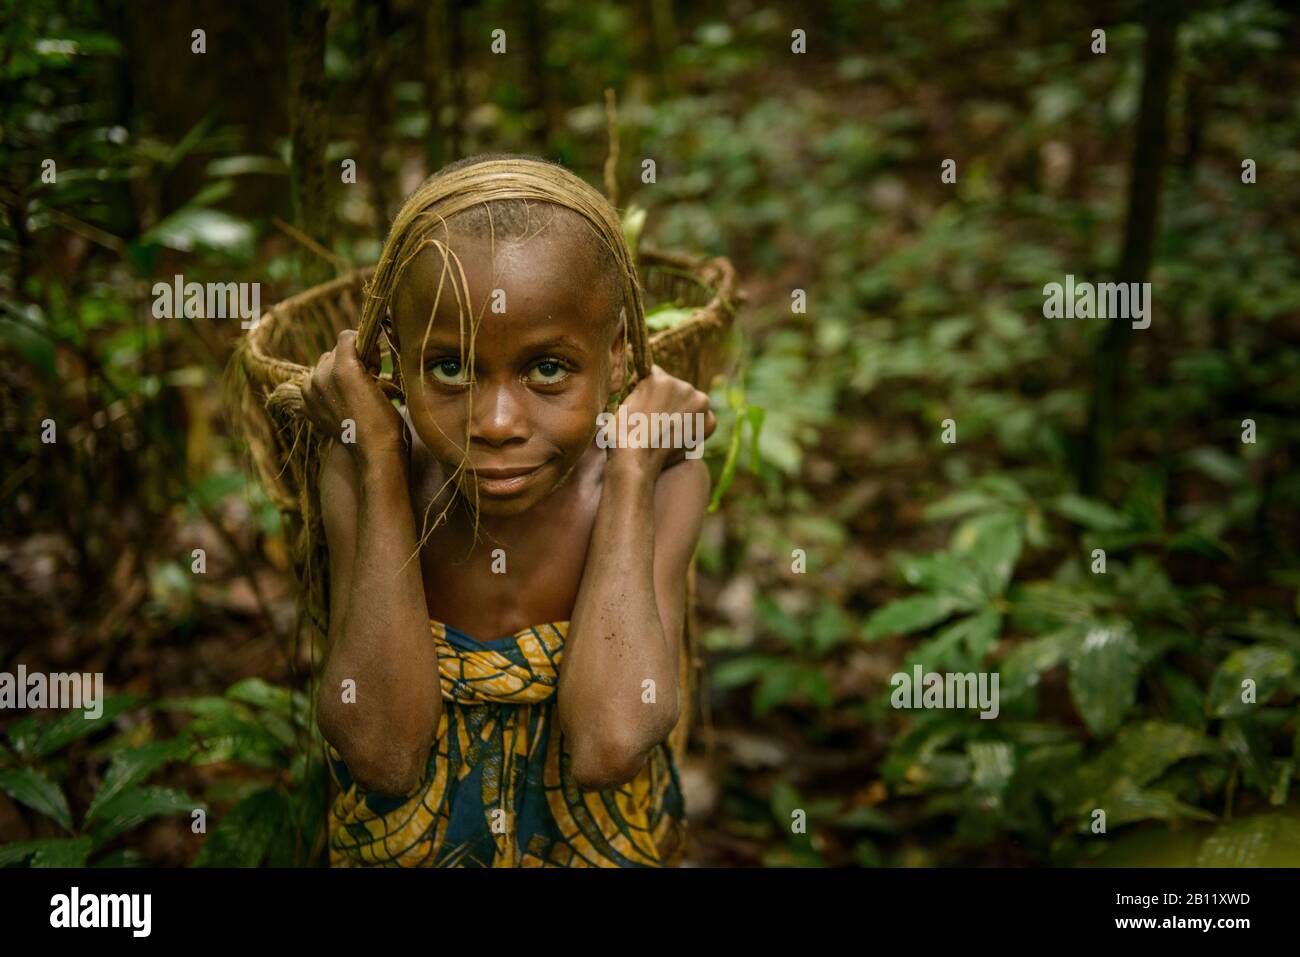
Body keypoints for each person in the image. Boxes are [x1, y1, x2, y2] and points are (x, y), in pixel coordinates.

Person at [300, 153, 715, 866]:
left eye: (547, 368)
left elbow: (611, 740)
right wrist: (377, 463)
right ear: (396, 361)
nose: (494, 422)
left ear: (616, 358)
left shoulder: (664, 475)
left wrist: (632, 471)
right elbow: (384, 753)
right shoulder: (365, 463)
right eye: (451, 368)